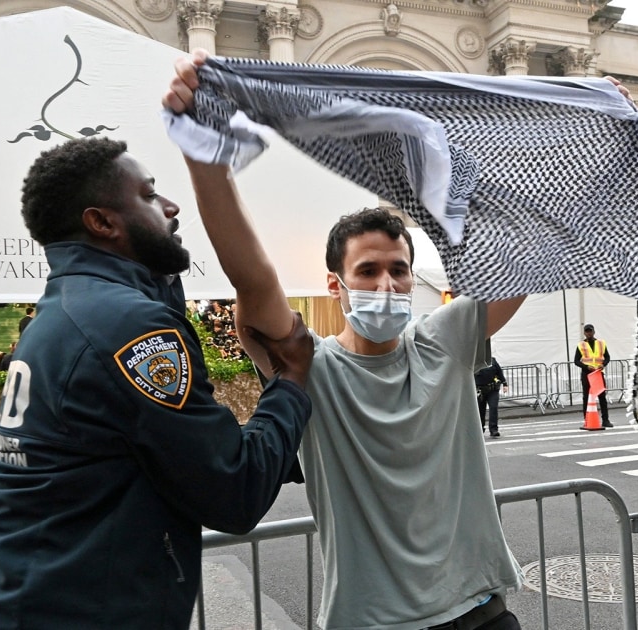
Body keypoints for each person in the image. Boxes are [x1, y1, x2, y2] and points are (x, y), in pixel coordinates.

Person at [164, 51, 526, 630]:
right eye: (368, 271)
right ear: (336, 285)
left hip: (480, 614)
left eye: (399, 270)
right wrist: (205, 159)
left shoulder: (444, 341)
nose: (387, 285)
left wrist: (593, 139)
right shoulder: (308, 366)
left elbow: (522, 255)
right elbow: (253, 281)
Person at [0, 137, 315, 630]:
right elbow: (234, 491)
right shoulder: (129, 327)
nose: (171, 207)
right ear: (102, 222)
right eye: (149, 195)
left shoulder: (73, 309)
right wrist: (290, 381)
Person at [573, 323, 613, 427]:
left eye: (590, 331)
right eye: (587, 331)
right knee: (586, 397)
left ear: (594, 332)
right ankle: (587, 420)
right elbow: (576, 361)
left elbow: (607, 357)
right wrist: (586, 367)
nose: (589, 333)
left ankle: (605, 420)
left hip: (598, 373)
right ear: (584, 333)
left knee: (602, 397)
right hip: (587, 374)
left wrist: (603, 364)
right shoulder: (581, 345)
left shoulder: (601, 343)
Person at [475, 356, 509, 437]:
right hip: (480, 390)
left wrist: (505, 384)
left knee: (493, 408)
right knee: (480, 410)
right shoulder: (474, 361)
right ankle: (480, 428)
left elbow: (499, 372)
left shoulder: (492, 361)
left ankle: (493, 429)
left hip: (492, 390)